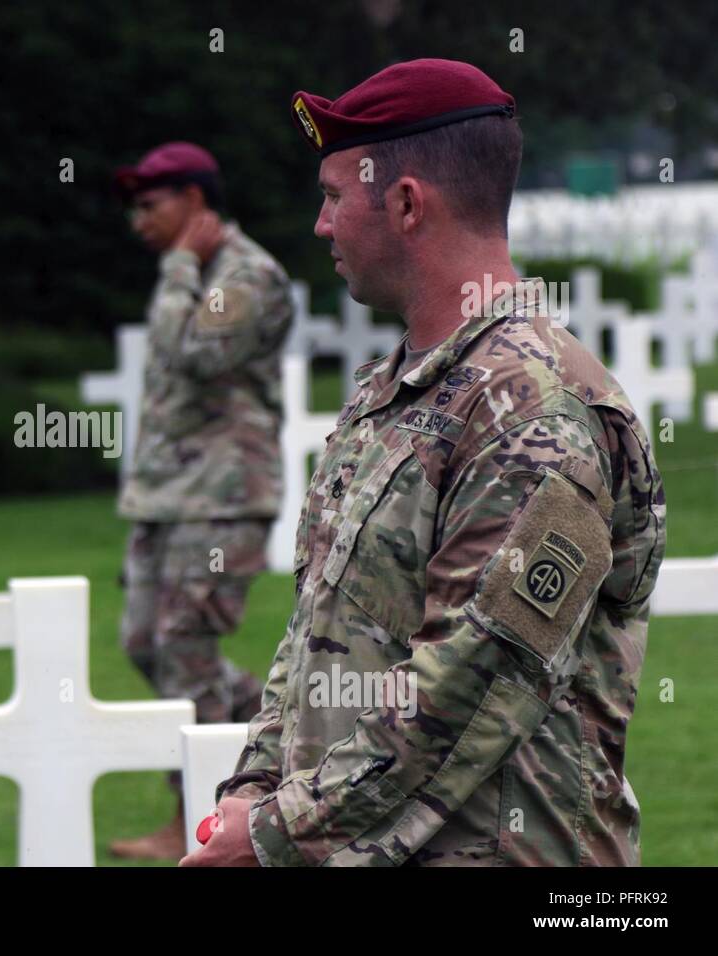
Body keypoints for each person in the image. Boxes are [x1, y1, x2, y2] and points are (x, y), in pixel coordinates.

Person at [183, 59, 665, 867]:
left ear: (406, 204)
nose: (320, 224)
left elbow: (473, 683)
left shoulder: (536, 411)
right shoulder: (395, 389)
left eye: (335, 196)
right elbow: (320, 633)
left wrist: (274, 835)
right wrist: (256, 780)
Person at [106, 142, 293, 860]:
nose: (138, 221)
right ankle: (273, 724)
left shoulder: (248, 275)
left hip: (222, 497)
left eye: (151, 206)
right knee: (143, 644)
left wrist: (182, 267)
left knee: (185, 649)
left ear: (194, 201)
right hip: (164, 498)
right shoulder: (191, 276)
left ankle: (199, 822)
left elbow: (193, 355)